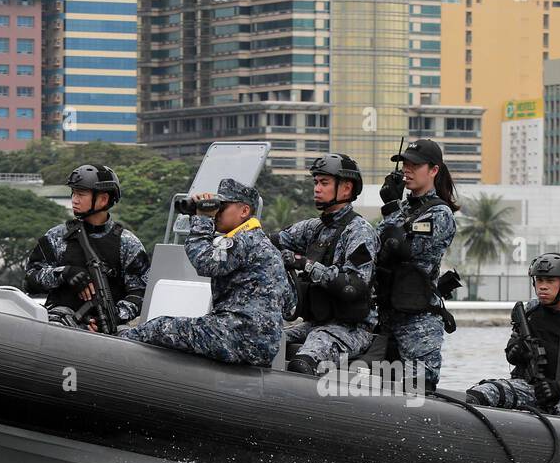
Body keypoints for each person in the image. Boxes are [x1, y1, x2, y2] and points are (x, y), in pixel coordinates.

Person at [121, 178, 294, 367]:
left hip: (241, 336)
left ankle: (113, 345)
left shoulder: (244, 240)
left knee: (159, 327)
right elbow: (288, 304)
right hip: (255, 339)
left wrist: (202, 220)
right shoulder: (260, 242)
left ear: (244, 211)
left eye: (222, 207)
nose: (216, 213)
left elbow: (205, 263)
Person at [466, 253, 560, 416]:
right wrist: (516, 351)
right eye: (539, 280)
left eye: (550, 281)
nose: (543, 286)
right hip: (528, 387)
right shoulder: (530, 310)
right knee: (478, 395)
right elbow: (512, 351)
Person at [272, 154, 379, 375]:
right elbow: (273, 240)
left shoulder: (360, 232)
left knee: (303, 361)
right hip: (315, 323)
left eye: (324, 183)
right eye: (316, 183)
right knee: (267, 338)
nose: (317, 189)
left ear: (346, 188)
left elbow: (353, 286)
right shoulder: (314, 228)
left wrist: (306, 264)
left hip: (351, 328)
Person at [375, 138, 460, 392]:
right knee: (381, 393)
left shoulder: (439, 214)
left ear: (433, 170)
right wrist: (393, 207)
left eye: (415, 165)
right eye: (405, 165)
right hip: (388, 315)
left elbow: (404, 249)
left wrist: (390, 207)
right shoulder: (403, 209)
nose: (407, 170)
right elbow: (379, 246)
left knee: (418, 393)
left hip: (418, 323)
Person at [25, 164, 149, 330]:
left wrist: (113, 315)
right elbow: (30, 280)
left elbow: (141, 292)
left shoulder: (127, 243)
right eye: (74, 193)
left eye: (81, 194)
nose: (74, 200)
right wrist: (64, 273)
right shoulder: (57, 236)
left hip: (108, 329)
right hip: (60, 324)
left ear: (103, 199)